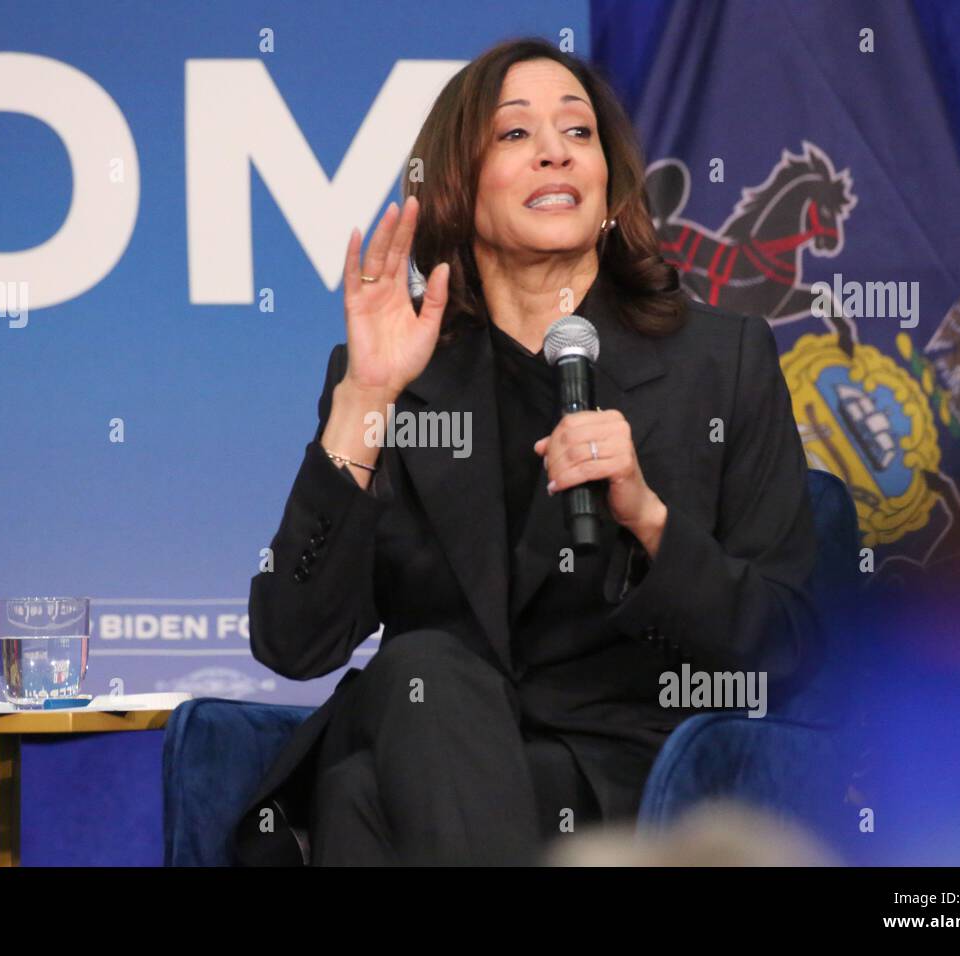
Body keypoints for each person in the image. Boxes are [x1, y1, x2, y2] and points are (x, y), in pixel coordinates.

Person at [233, 37, 821, 866]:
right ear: (453, 189)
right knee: (427, 670)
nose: (555, 149)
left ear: (609, 186)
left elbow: (785, 642)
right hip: (421, 723)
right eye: (514, 135)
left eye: (578, 133)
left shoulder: (720, 364)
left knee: (358, 802)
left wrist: (650, 523)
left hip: (610, 778)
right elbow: (295, 644)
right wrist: (365, 402)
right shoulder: (394, 375)